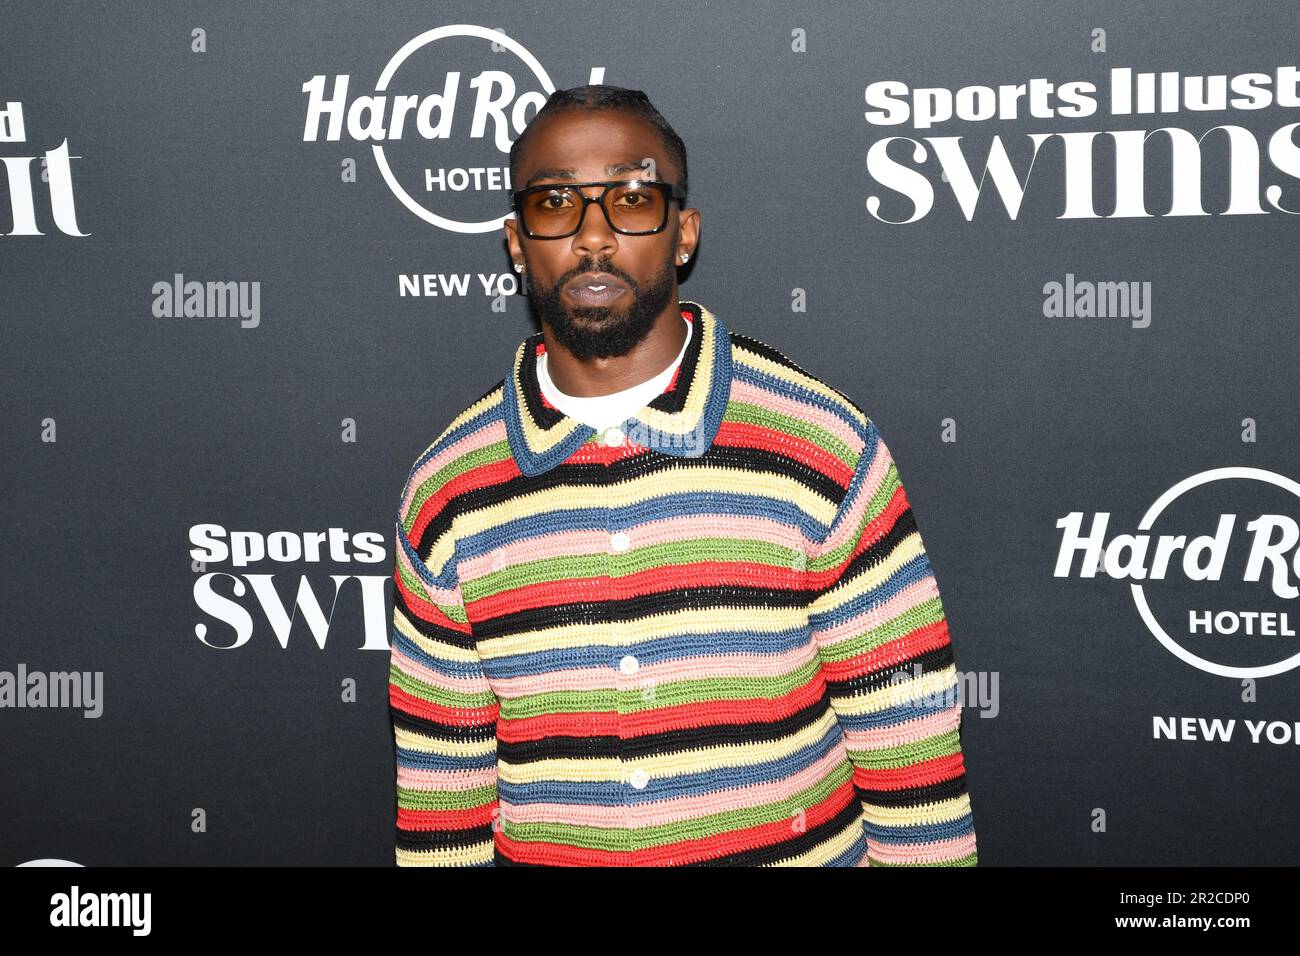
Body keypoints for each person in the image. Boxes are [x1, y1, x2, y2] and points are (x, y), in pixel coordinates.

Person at [388, 84, 978, 867]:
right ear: (516, 241)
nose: (594, 237)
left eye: (633, 199)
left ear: (683, 234)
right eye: (556, 202)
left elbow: (914, 754)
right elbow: (442, 800)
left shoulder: (819, 444)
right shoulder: (448, 489)